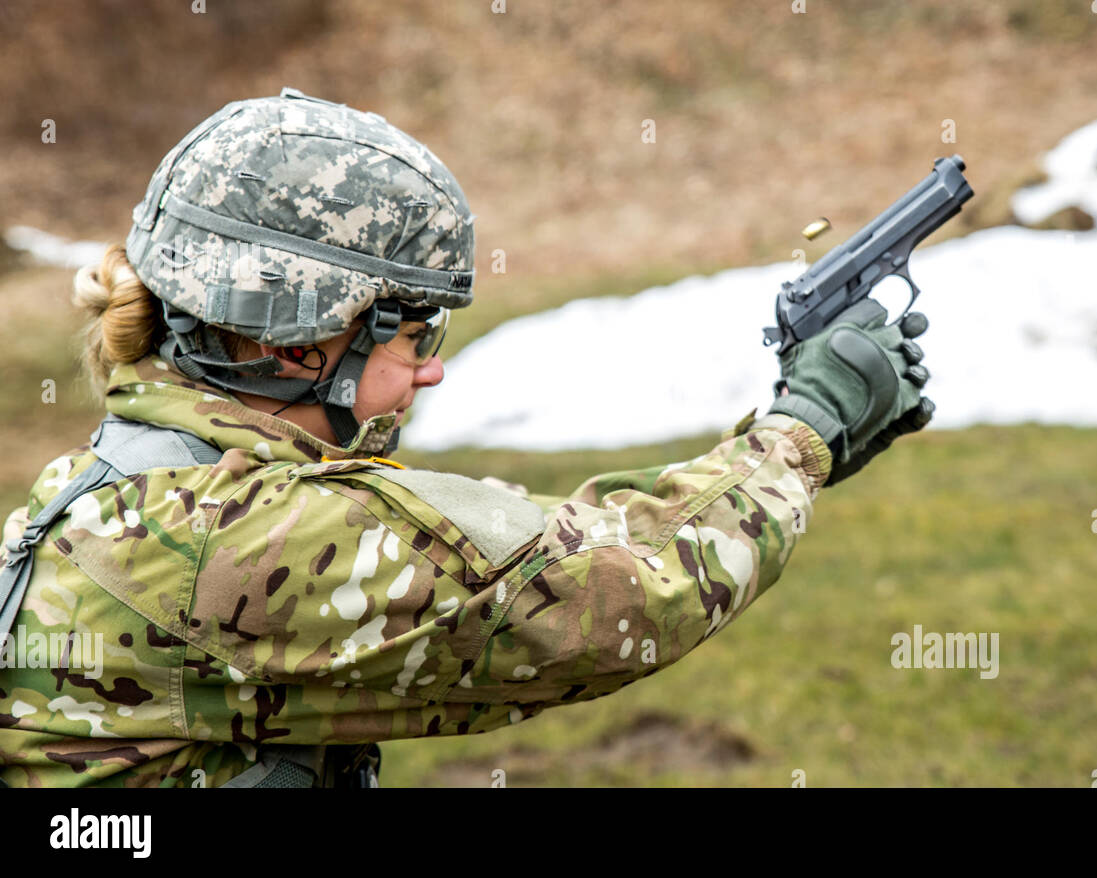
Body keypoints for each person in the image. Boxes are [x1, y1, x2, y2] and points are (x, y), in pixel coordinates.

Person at [0, 88, 933, 787]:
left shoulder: (109, 487)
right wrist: (804, 429)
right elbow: (610, 602)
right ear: (292, 339)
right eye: (412, 334)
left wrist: (795, 451)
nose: (430, 368)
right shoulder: (229, 535)